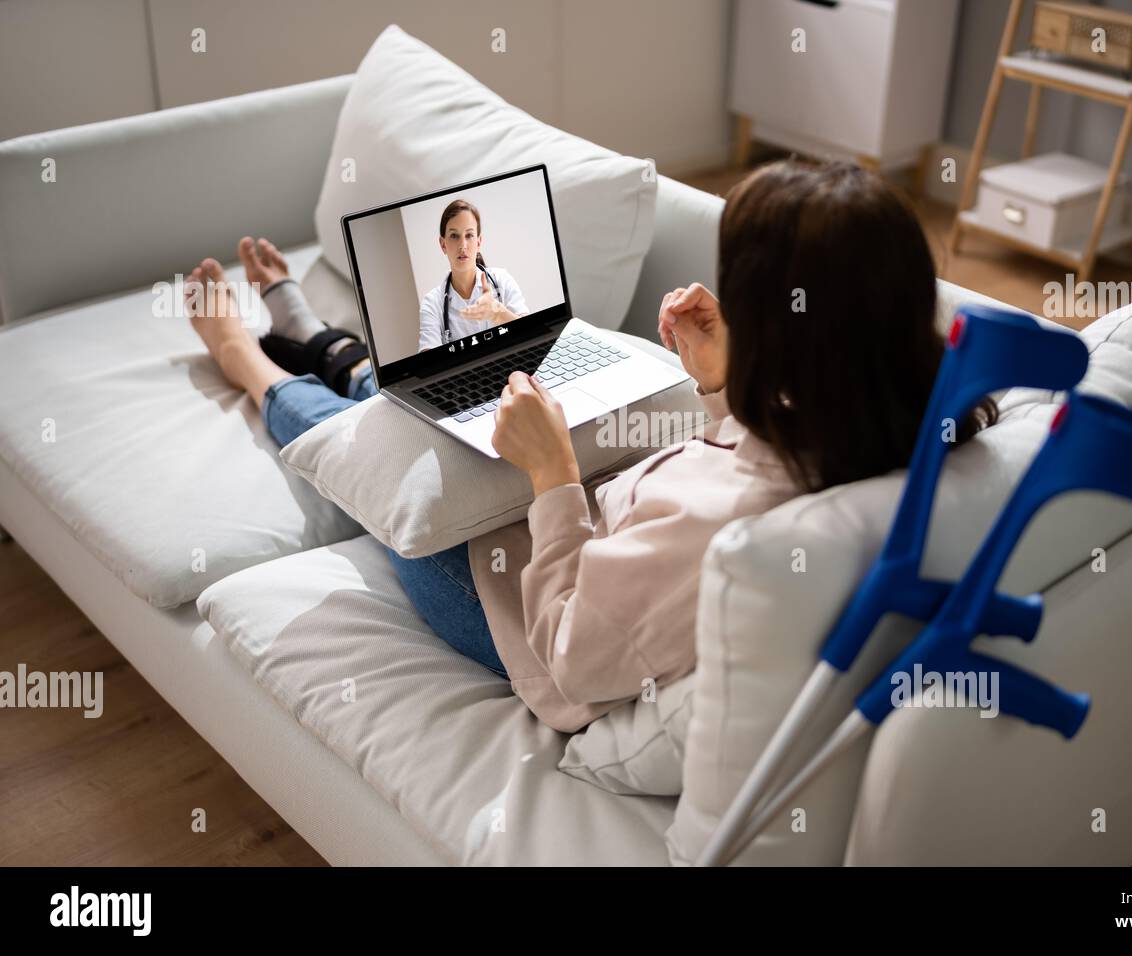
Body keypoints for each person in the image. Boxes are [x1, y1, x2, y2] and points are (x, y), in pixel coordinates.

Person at [184, 158, 996, 733]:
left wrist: (552, 472)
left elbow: (570, 653)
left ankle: (250, 361)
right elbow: (777, 450)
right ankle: (325, 340)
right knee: (433, 395)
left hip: (510, 604)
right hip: (590, 524)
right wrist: (722, 382)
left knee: (385, 451)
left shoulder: (724, 526)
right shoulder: (912, 410)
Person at [416, 198, 529, 351]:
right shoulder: (432, 304)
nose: (463, 245)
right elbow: (428, 364)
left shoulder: (502, 280)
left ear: (479, 241)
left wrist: (497, 312)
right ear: (443, 245)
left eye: (469, 235)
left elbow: (531, 334)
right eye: (454, 236)